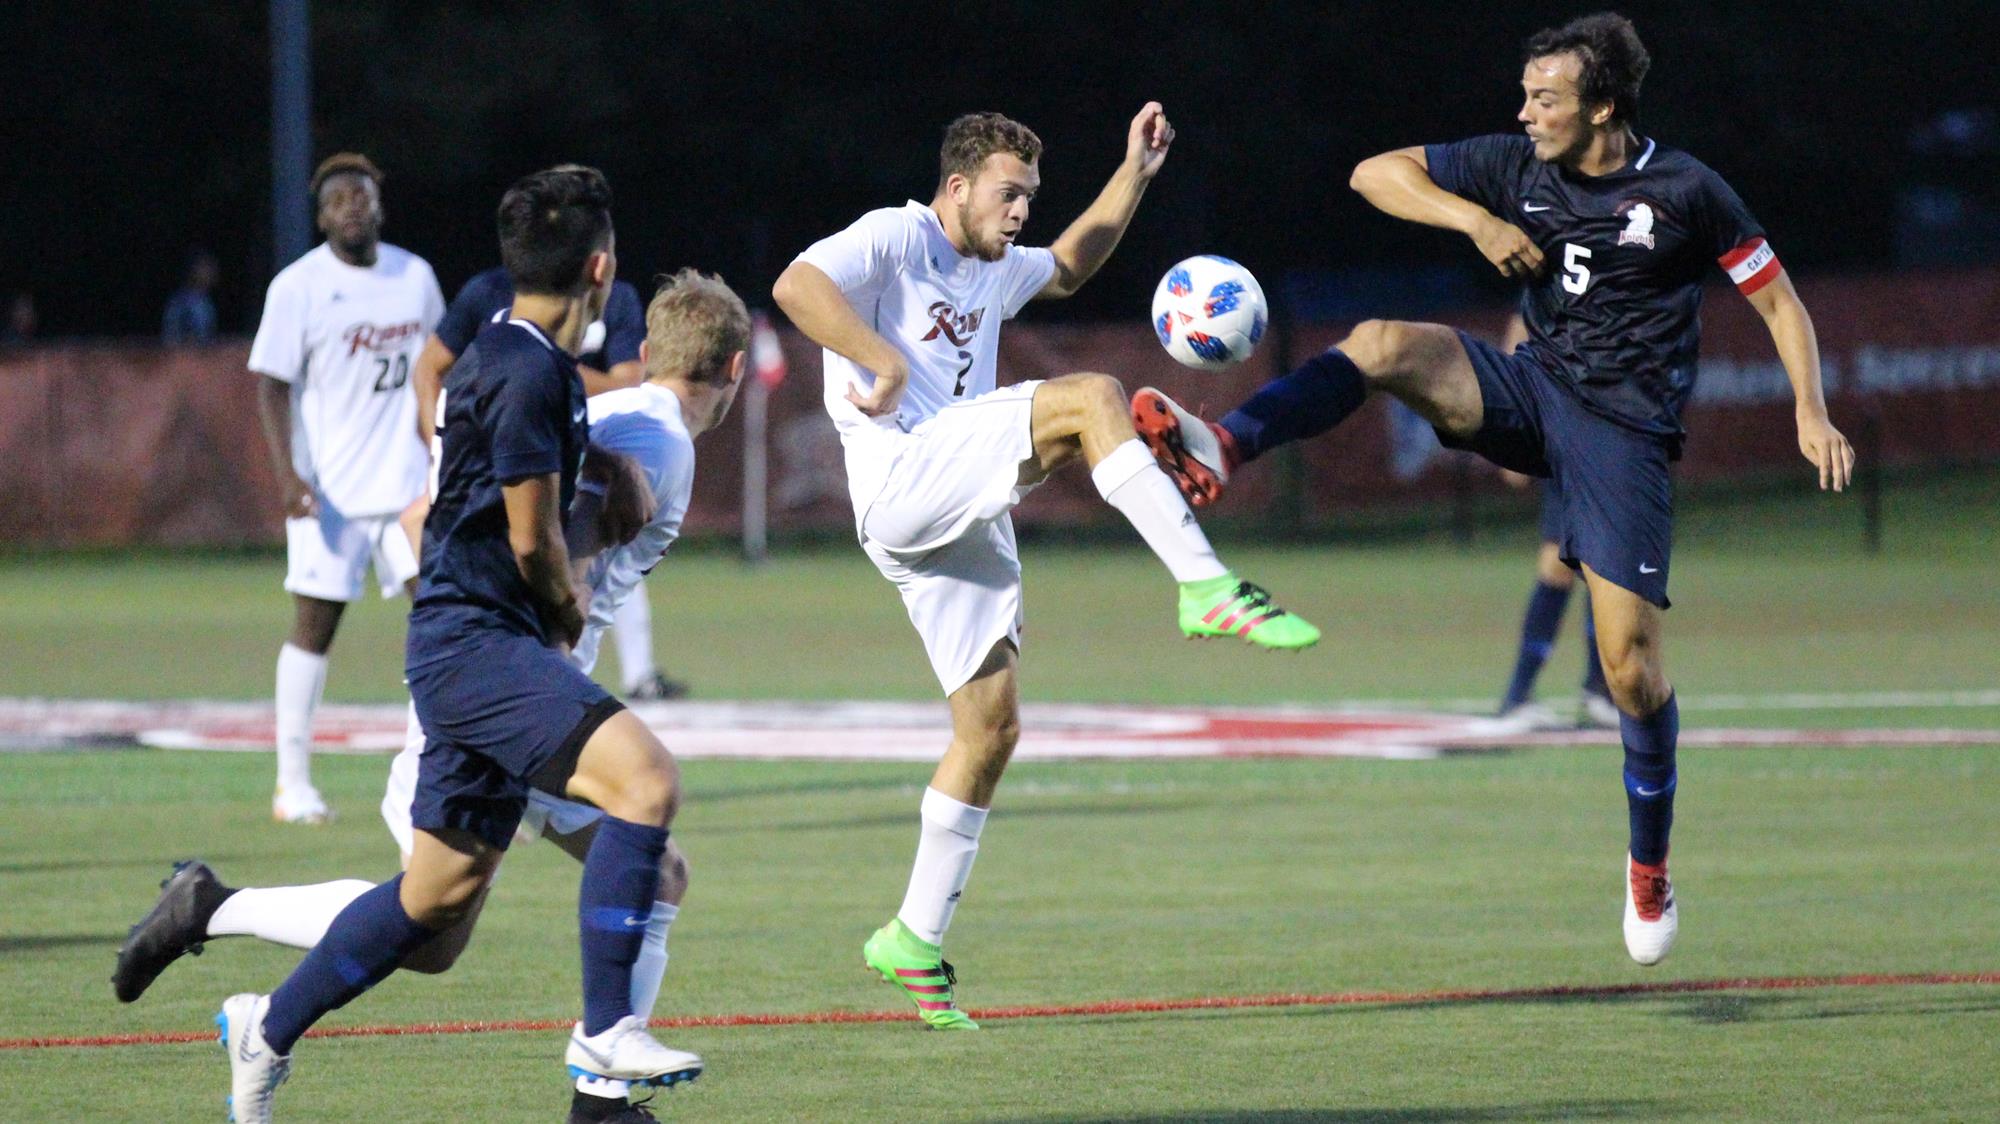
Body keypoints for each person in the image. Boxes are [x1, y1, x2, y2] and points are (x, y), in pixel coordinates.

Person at [1130, 13, 1853, 967]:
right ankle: (1224, 444)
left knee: (1630, 667)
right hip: (1529, 385)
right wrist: (1472, 217)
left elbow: (1777, 300)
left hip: (1623, 432)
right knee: (1385, 341)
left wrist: (1811, 408)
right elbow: (1373, 173)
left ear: (1600, 106)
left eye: (1543, 98)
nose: (1524, 113)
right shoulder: (1518, 167)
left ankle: (1649, 867)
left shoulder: (1686, 190)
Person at [116, 267, 747, 1124]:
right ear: (737, 370)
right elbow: (551, 532)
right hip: (508, 692)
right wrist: (506, 635)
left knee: (454, 920)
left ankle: (234, 949)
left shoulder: (607, 419)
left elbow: (427, 516)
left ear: (645, 352)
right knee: (490, 883)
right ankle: (604, 1067)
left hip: (523, 685)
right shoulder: (659, 441)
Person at [772, 105, 1319, 1030]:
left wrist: (1136, 173)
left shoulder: (995, 266)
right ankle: (1206, 584)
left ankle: (911, 937)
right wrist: (879, 359)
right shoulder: (898, 236)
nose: (1021, 211)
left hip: (958, 510)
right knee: (1093, 398)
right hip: (906, 473)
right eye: (1007, 193)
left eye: (1029, 195)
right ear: (957, 188)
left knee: (989, 730)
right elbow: (795, 286)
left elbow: (1070, 262)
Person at [250, 153, 444, 824]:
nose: (352, 208)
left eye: (362, 196)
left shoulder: (413, 276)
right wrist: (287, 475)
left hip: (406, 489)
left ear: (379, 204)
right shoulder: (297, 287)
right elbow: (271, 386)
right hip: (328, 491)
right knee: (314, 627)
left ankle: (434, 769)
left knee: (443, 620)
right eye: (338, 200)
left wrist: (440, 457)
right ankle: (292, 782)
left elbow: (435, 370)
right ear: (322, 215)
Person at [413, 266, 688, 701]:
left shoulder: (547, 363)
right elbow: (429, 370)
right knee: (643, 768)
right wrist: (564, 600)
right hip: (479, 617)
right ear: (599, 261)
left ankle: (630, 675)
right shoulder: (520, 355)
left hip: (564, 453)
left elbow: (621, 383)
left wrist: (607, 461)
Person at [1490, 317, 1616, 731]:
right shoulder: (1563, 269)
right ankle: (1521, 692)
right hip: (1570, 430)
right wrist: (1513, 431)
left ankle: (1596, 689)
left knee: (1603, 563)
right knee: (1563, 564)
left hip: (1610, 429)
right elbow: (1521, 327)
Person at [163, 249, 221, 344]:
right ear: (194, 270)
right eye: (205, 268)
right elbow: (172, 337)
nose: (210, 273)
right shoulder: (180, 302)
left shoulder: (206, 302)